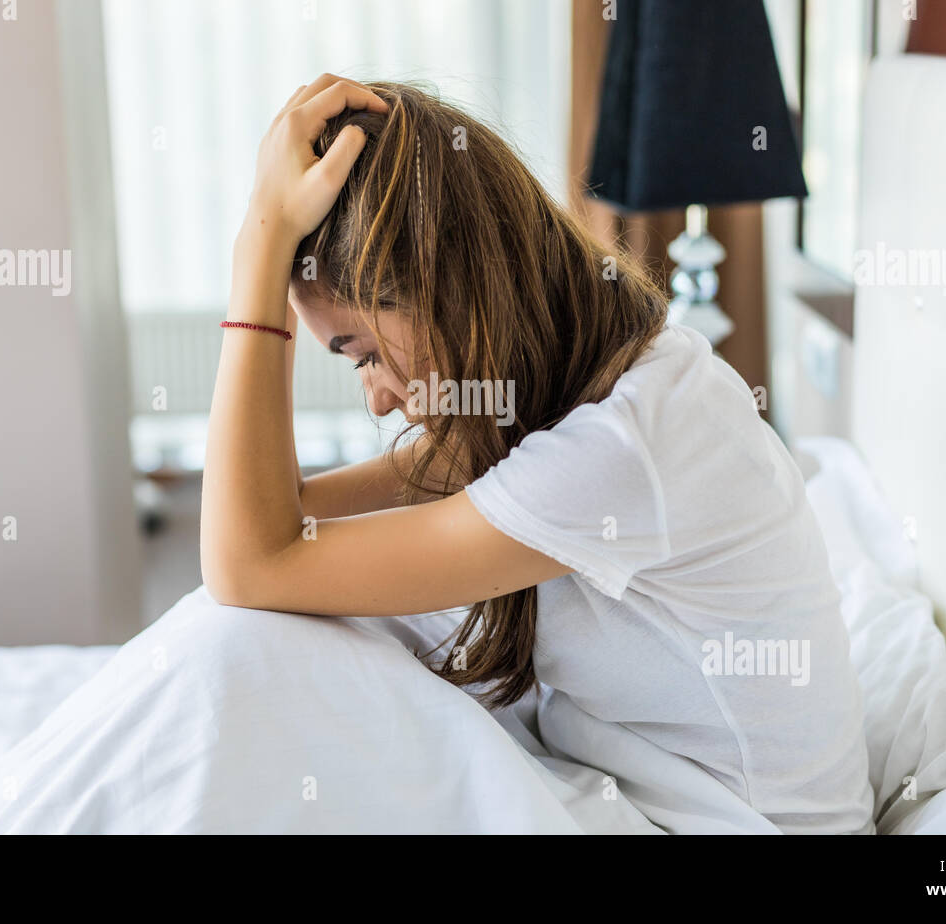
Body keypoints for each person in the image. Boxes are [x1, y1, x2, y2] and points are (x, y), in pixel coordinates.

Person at [200, 74, 875, 833]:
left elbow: (251, 561)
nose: (378, 400)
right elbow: (273, 523)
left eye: (360, 354)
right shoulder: (584, 385)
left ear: (439, 285)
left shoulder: (622, 445)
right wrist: (269, 244)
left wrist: (260, 249)